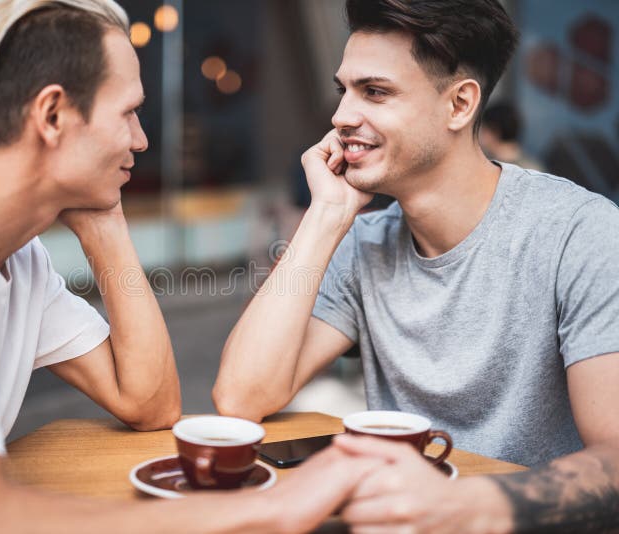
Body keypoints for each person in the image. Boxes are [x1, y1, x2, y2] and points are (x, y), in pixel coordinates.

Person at [0, 1, 384, 532]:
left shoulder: (16, 255)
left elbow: (148, 402)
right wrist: (271, 510)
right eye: (130, 113)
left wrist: (105, 222)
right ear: (54, 113)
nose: (141, 140)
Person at [214, 0, 619, 531]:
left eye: (375, 92)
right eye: (345, 90)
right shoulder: (361, 240)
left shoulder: (581, 233)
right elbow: (240, 398)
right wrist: (324, 217)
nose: (341, 117)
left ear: (459, 105)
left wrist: (469, 507)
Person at [479, 101, 544, 171]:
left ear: (494, 131)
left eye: (483, 128)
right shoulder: (533, 169)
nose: (479, 134)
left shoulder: (484, 167)